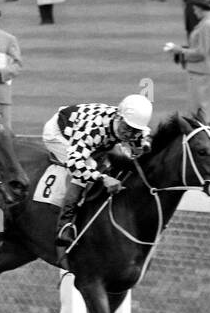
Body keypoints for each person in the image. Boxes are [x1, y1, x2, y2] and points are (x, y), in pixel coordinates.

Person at [42, 95, 153, 254]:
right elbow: (76, 165)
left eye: (134, 130)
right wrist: (104, 178)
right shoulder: (94, 130)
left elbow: (143, 141)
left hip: (94, 137)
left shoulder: (132, 127)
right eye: (127, 128)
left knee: (121, 156)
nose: (129, 134)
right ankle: (64, 227)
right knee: (90, 166)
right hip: (59, 134)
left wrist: (142, 148)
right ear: (118, 117)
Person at [168, 0, 210, 127]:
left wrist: (180, 51)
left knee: (203, 115)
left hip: (202, 73)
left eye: (195, 8)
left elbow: (201, 52)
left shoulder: (208, 25)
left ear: (200, 7)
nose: (193, 11)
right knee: (206, 113)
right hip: (205, 72)